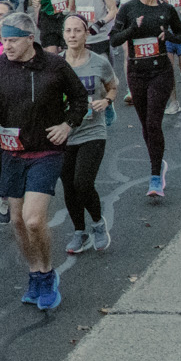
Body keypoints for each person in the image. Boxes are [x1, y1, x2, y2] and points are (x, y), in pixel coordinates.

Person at [0, 13, 87, 312]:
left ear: (30, 38)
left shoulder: (55, 65)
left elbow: (79, 99)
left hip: (46, 151)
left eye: (12, 40)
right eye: (4, 40)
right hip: (12, 153)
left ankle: (49, 273)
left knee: (34, 219)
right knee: (17, 220)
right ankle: (35, 273)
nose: (6, 46)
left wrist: (67, 125)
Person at [55, 14, 116, 255]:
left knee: (83, 181)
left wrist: (107, 101)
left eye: (77, 30)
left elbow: (113, 86)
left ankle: (98, 223)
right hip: (65, 133)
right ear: (63, 34)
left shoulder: (99, 62)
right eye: (68, 31)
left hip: (92, 130)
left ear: (86, 33)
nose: (72, 35)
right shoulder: (55, 63)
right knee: (69, 186)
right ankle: (79, 231)